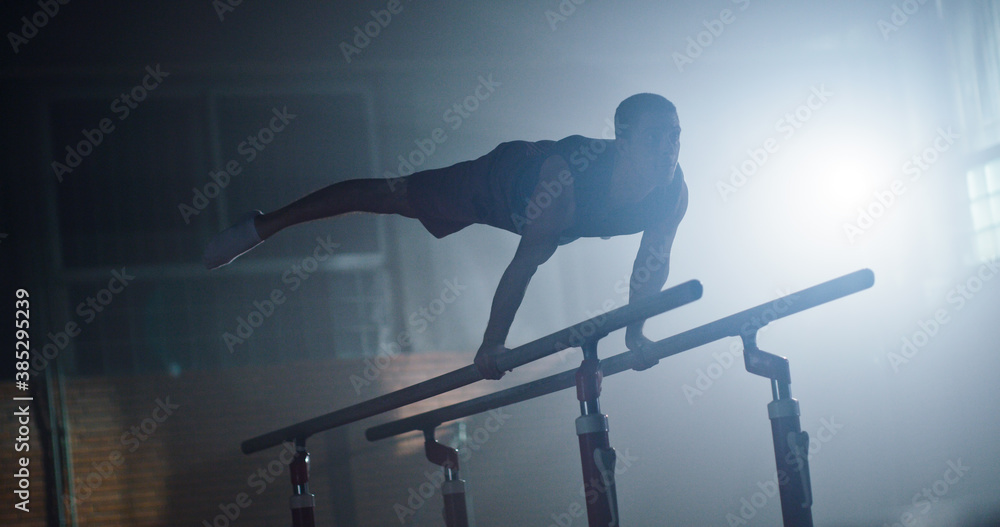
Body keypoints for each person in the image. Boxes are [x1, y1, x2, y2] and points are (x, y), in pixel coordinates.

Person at [203, 93, 688, 379]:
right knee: (388, 196)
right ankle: (264, 224)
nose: (670, 147)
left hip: (548, 209)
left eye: (675, 135)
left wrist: (636, 332)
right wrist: (492, 345)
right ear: (621, 144)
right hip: (505, 183)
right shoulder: (563, 186)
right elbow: (524, 265)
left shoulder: (674, 191)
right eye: (655, 137)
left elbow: (652, 263)